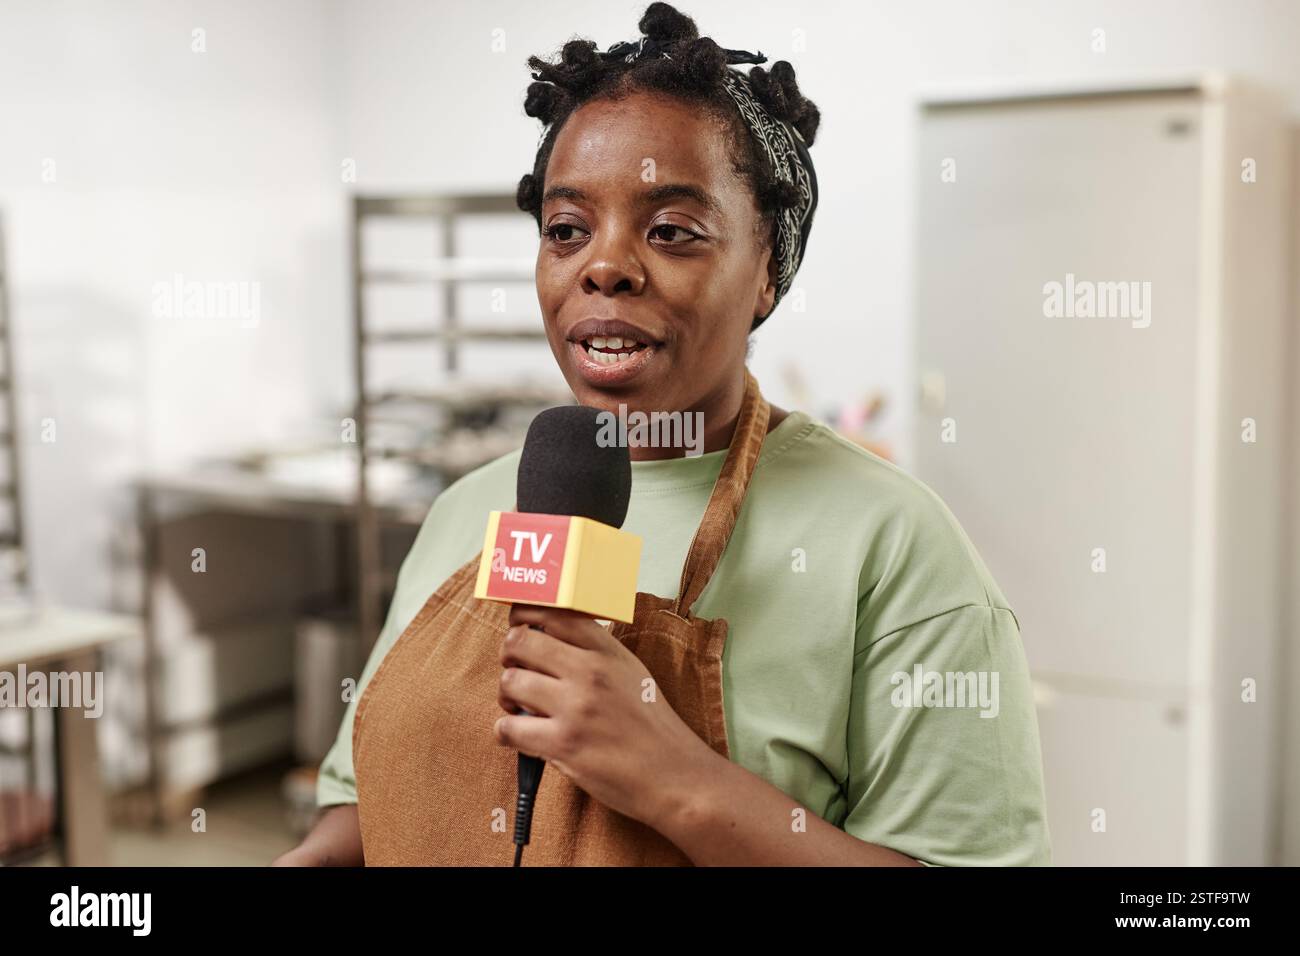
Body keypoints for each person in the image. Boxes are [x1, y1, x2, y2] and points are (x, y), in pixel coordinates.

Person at [275, 1, 1050, 867]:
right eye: (566, 230)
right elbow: (360, 804)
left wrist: (675, 781)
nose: (602, 267)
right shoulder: (468, 512)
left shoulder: (893, 549)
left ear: (766, 271)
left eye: (672, 231)